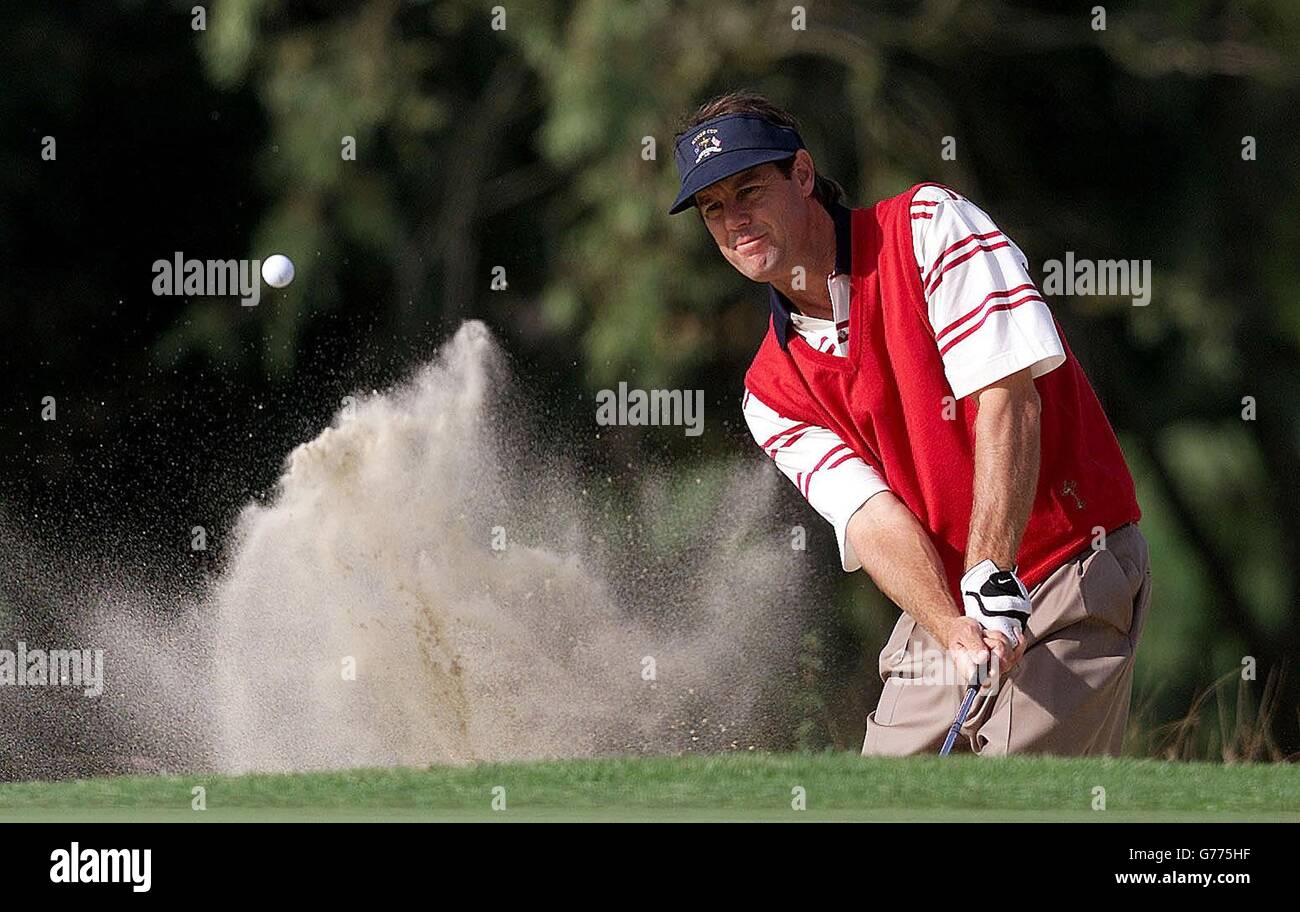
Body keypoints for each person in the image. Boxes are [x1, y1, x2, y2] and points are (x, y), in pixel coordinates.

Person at [668, 91, 1152, 755]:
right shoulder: (768, 393)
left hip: (1070, 561)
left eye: (750, 189)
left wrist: (990, 570)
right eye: (713, 207)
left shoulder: (929, 228)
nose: (735, 220)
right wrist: (950, 625)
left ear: (803, 175)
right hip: (950, 606)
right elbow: (872, 520)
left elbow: (1009, 399)